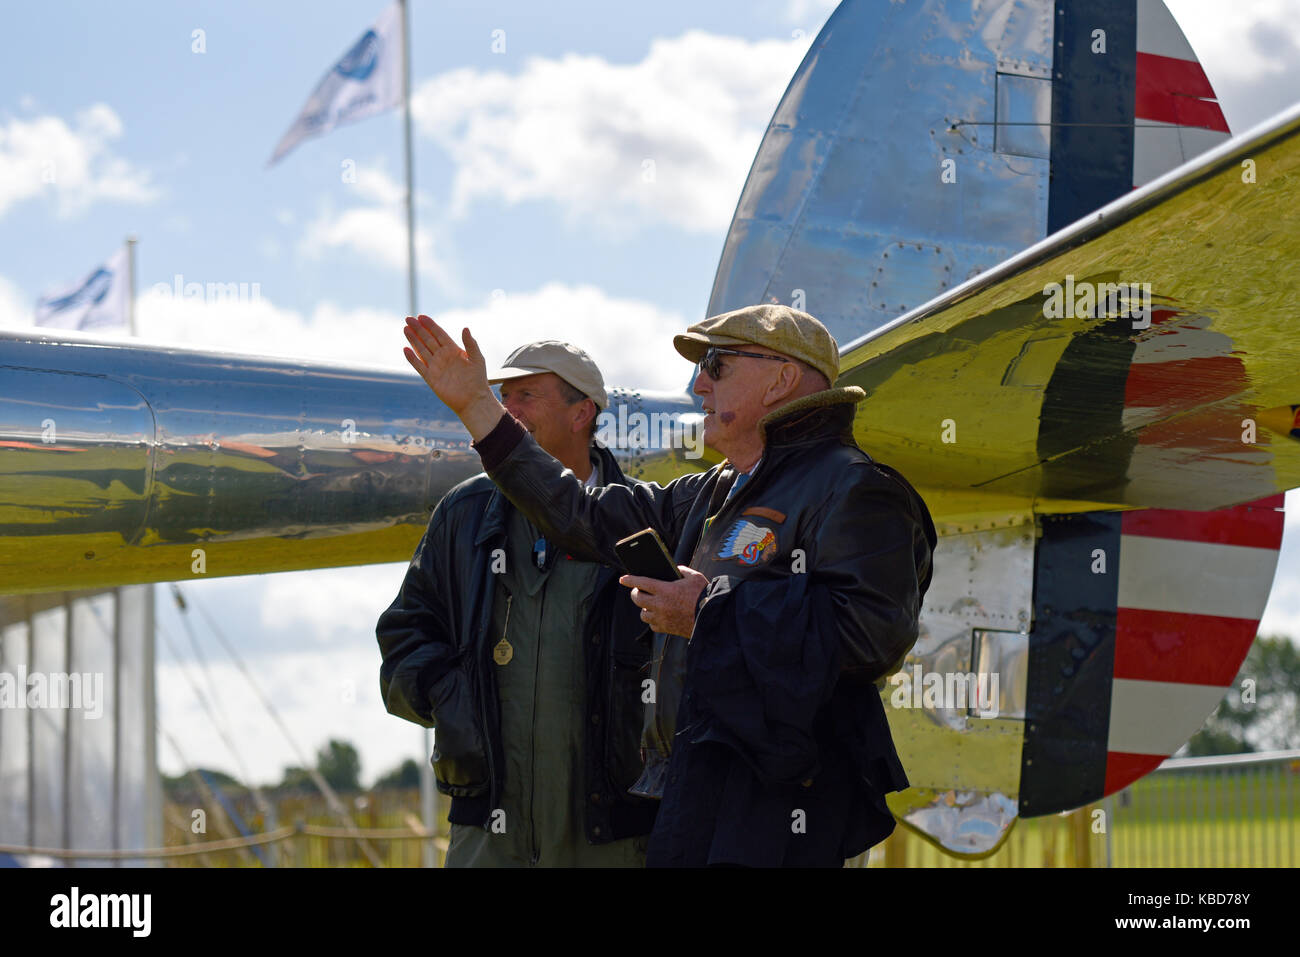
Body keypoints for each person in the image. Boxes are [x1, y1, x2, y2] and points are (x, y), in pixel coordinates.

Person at [401, 304, 937, 867]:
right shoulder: (711, 492)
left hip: (789, 807)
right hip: (699, 794)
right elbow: (580, 514)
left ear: (780, 378)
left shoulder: (859, 488)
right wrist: (479, 410)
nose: (698, 384)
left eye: (715, 365)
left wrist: (705, 613)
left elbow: (869, 636)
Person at [376, 340, 657, 867]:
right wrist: (453, 700)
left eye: (526, 394)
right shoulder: (462, 512)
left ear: (583, 413)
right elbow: (403, 638)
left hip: (614, 833)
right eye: (503, 397)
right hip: (489, 831)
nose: (509, 411)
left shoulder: (641, 520)